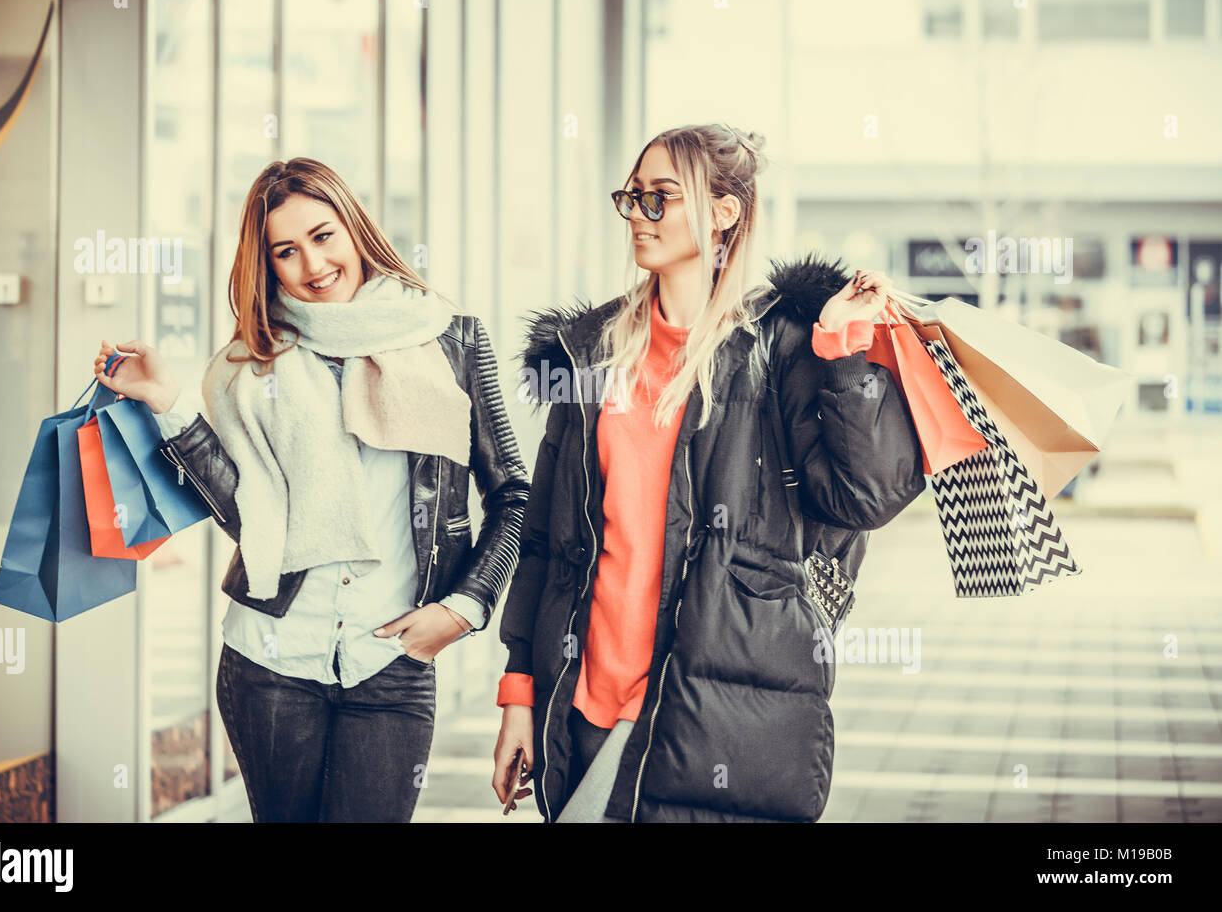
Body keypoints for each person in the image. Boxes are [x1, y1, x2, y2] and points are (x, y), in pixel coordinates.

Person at [490, 123, 926, 822]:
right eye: (631, 198)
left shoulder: (781, 349)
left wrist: (843, 350)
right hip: (583, 703)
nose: (638, 214)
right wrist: (518, 694)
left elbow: (861, 494)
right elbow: (544, 539)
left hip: (716, 715)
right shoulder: (590, 358)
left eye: (660, 197)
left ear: (724, 212)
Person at [95, 156, 529, 822]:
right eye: (286, 251)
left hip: (392, 659)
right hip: (269, 659)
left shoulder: (450, 339)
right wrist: (168, 402)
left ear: (354, 230)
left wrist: (465, 607)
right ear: (267, 265)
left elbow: (513, 499)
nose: (312, 265)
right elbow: (246, 515)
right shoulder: (252, 362)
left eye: (323, 236)